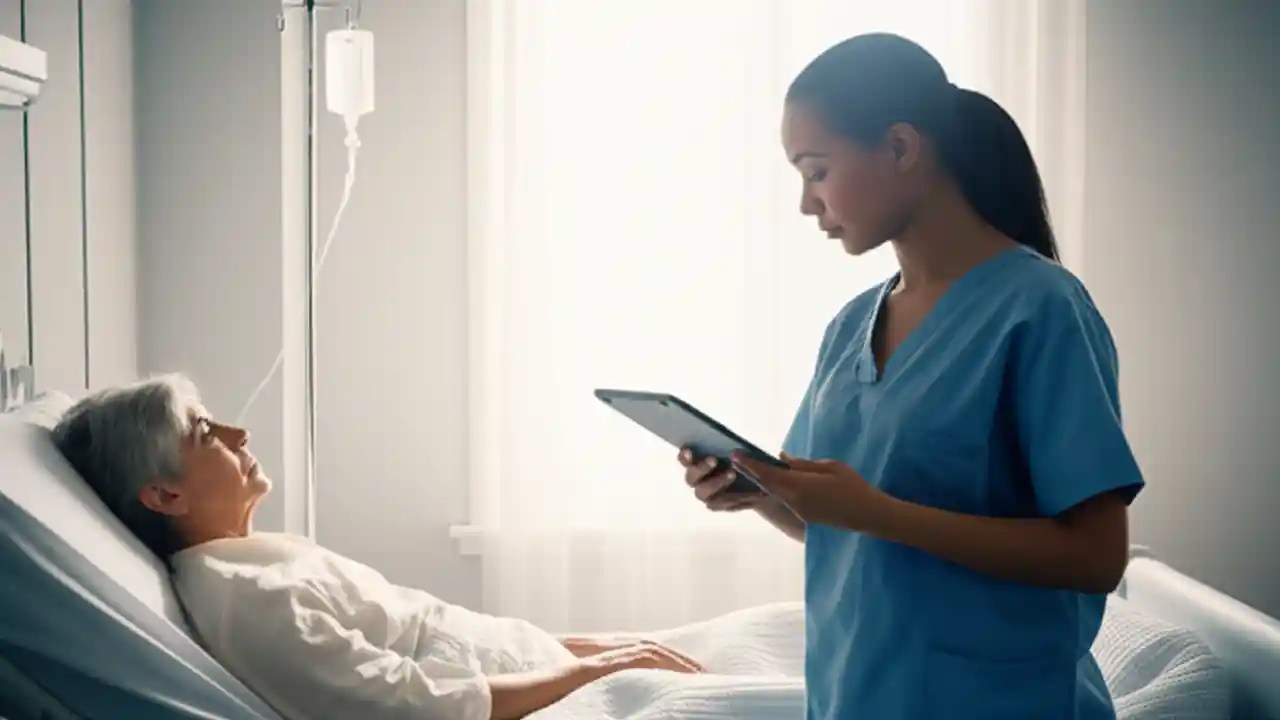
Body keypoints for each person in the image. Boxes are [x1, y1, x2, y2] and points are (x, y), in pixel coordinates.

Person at [680, 33, 1145, 720]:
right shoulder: (850, 325)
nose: (807, 203)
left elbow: (1096, 557)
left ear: (900, 147)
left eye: (817, 171)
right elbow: (847, 530)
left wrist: (875, 512)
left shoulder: (1041, 309)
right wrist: (762, 494)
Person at [51, 374, 703, 720]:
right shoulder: (244, 598)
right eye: (204, 432)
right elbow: (413, 707)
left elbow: (435, 635)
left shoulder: (256, 561)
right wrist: (596, 671)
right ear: (165, 495)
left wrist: (598, 649)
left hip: (546, 668)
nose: (238, 433)